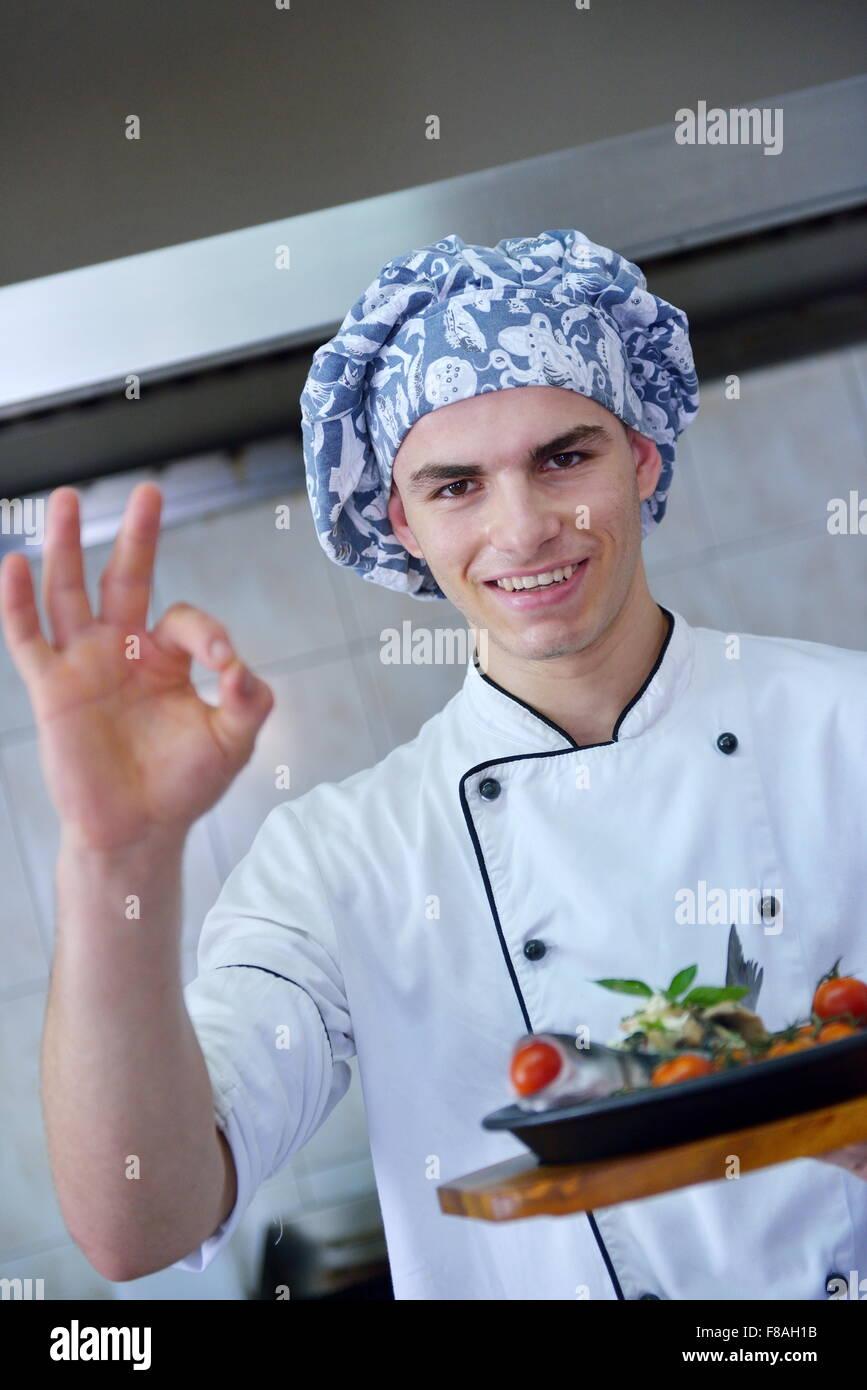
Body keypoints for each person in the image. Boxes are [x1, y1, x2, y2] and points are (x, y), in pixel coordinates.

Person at [2, 230, 865, 1300]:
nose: (524, 528)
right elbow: (139, 1221)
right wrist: (114, 858)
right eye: (457, 486)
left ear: (640, 455)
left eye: (564, 456)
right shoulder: (342, 856)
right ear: (400, 520)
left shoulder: (849, 726)